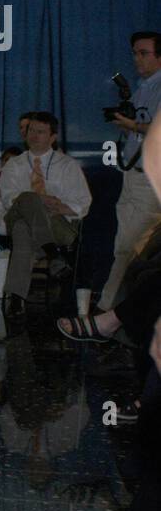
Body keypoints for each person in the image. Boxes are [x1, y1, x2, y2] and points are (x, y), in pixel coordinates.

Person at [0, 112, 91, 308]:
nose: (33, 136)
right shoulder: (14, 164)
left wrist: (58, 206)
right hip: (19, 215)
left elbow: (83, 203)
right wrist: (40, 200)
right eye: (31, 130)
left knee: (23, 229)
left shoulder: (67, 165)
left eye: (40, 132)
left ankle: (16, 298)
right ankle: (53, 254)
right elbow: (8, 200)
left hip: (57, 223)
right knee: (28, 198)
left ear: (52, 137)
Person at [100, 31, 161, 309]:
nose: (137, 59)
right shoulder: (143, 87)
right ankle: (123, 311)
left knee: (130, 246)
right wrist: (127, 124)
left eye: (143, 53)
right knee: (124, 246)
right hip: (133, 175)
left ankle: (107, 310)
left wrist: (132, 125)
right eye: (135, 53)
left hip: (150, 178)